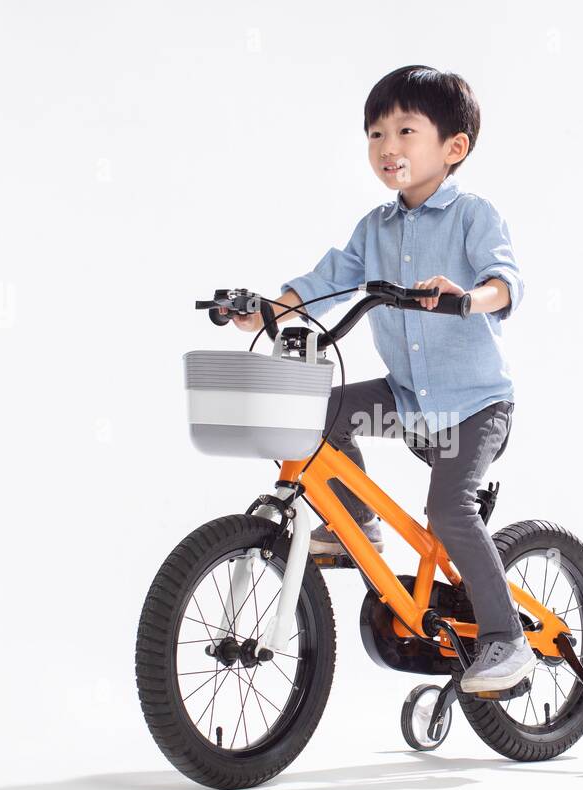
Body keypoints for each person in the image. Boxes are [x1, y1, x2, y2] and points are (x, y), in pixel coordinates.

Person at [231, 65, 531, 694]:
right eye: (374, 134)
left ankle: (507, 640)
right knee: (324, 411)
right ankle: (358, 526)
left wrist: (469, 297)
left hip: (476, 408)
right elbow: (326, 282)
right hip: (407, 402)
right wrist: (265, 308)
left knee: (448, 509)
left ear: (453, 148)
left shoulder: (473, 216)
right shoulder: (375, 229)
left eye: (404, 130)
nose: (386, 147)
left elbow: (507, 283)